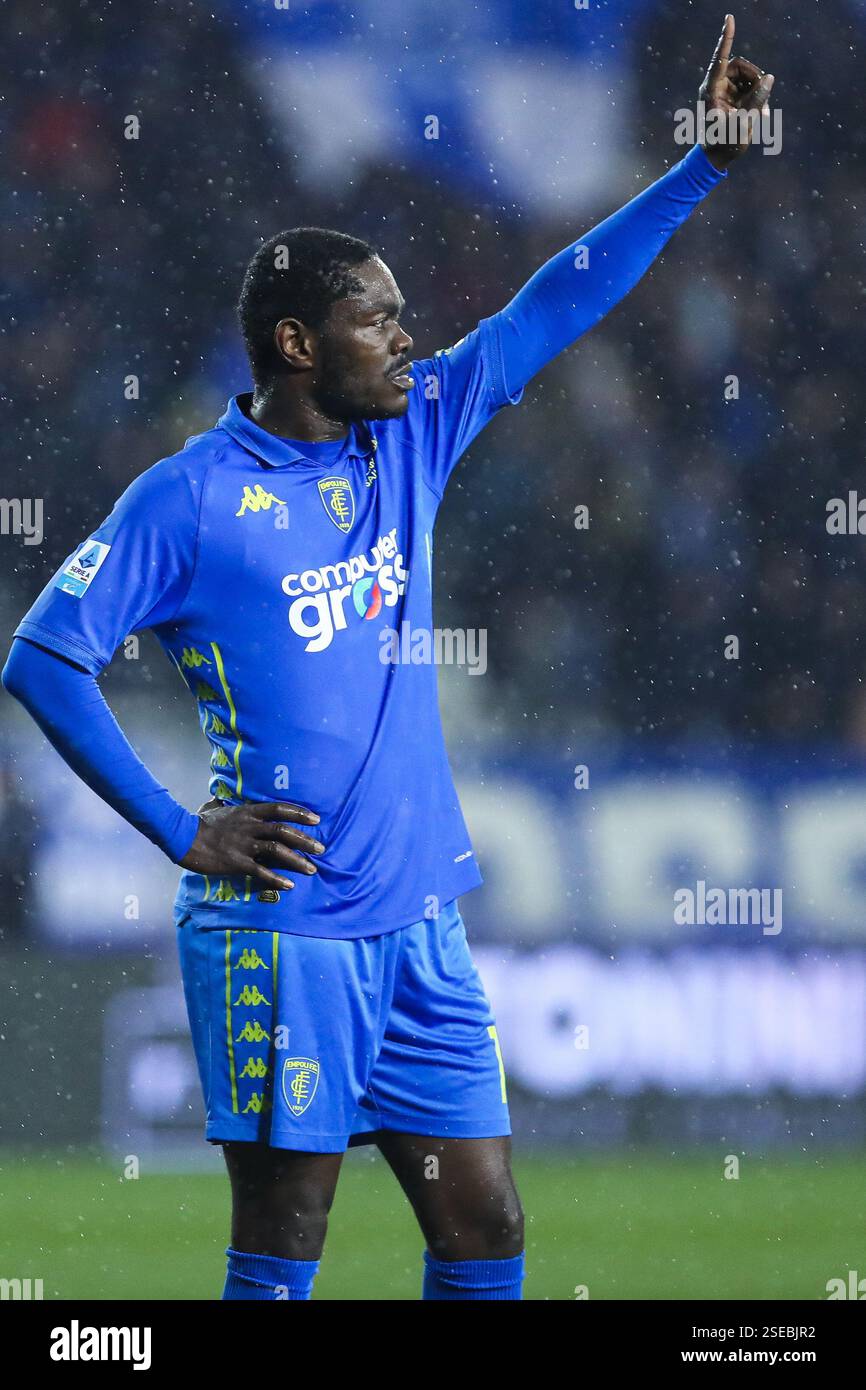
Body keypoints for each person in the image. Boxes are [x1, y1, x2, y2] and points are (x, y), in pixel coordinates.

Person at [2, 17, 773, 1301]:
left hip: (418, 916)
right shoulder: (188, 499)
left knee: (483, 1224)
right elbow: (41, 657)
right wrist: (179, 828)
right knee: (285, 1239)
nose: (408, 341)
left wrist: (702, 166)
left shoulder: (410, 436)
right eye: (378, 321)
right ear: (299, 344)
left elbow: (553, 300)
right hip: (278, 927)